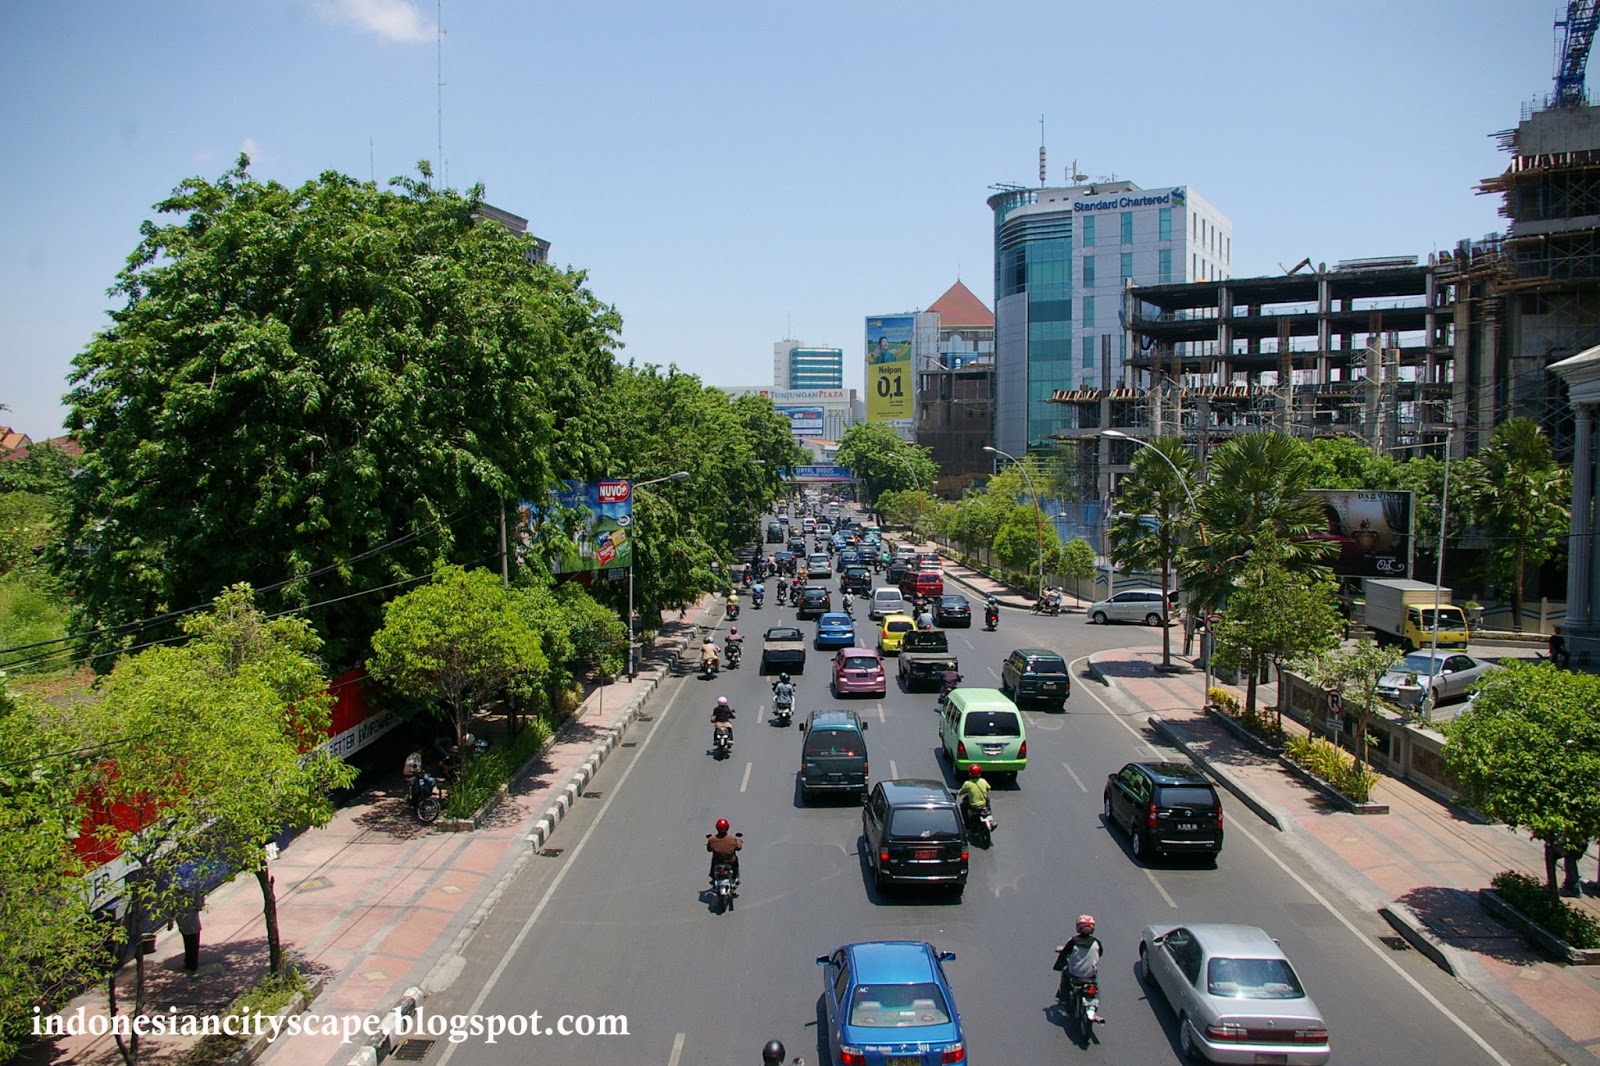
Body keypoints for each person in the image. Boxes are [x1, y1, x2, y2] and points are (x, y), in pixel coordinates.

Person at [1054, 915, 1103, 1005]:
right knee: (1095, 977)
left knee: (1065, 972)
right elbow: (1100, 953)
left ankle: (1064, 999)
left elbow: (1065, 952)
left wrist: (1059, 964)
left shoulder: (1073, 941)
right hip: (1090, 975)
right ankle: (1096, 999)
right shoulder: (1096, 942)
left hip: (1075, 974)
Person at [707, 817, 742, 884]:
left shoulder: (712, 839)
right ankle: (736, 877)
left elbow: (709, 849)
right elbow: (739, 848)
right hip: (730, 861)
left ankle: (712, 876)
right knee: (735, 861)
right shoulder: (732, 838)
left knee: (713, 861)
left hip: (717, 861)